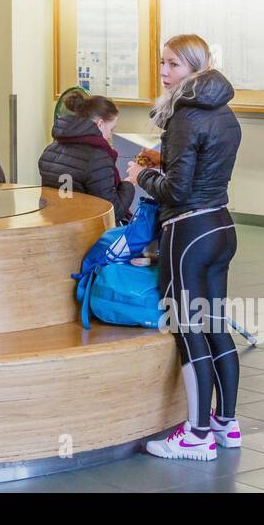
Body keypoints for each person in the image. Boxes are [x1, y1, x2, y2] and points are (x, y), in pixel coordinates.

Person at [132, 34, 242, 462]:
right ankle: (225, 424)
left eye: (173, 65)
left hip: (187, 230)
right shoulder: (223, 111)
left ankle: (196, 435)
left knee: (186, 328)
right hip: (220, 226)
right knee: (215, 325)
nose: (163, 72)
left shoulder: (183, 116)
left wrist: (138, 177)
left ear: (193, 68)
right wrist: (163, 162)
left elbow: (176, 191)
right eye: (161, 63)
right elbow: (202, 169)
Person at [39, 89, 136, 223]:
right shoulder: (97, 158)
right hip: (85, 234)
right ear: (100, 124)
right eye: (111, 129)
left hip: (54, 227)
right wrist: (129, 183)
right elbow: (113, 212)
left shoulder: (50, 151)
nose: (109, 136)